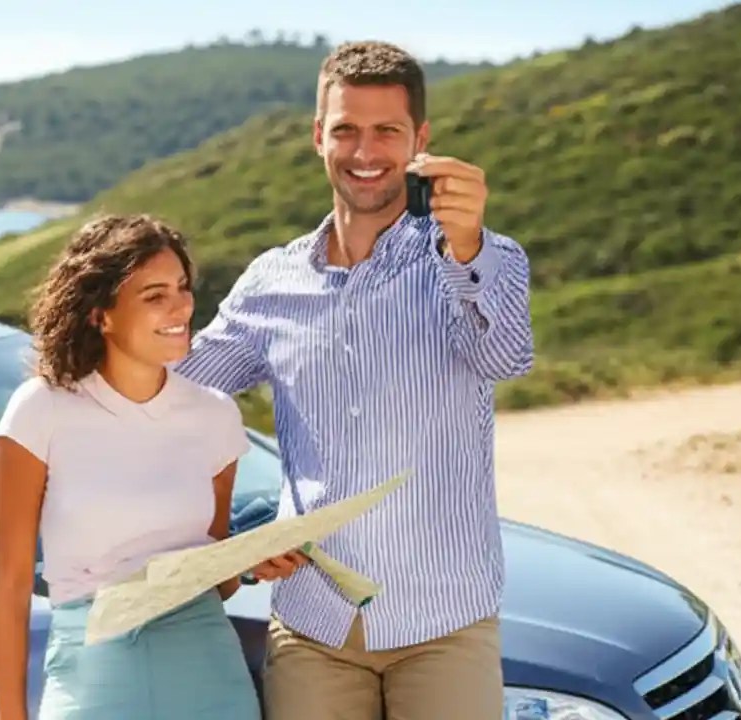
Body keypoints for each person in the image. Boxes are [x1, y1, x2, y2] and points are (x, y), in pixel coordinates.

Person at [174, 40, 535, 719]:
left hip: (444, 625)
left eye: (386, 131)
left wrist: (471, 249)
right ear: (318, 137)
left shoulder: (481, 261)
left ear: (420, 140)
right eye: (346, 129)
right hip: (312, 628)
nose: (364, 150)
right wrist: (231, 533)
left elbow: (505, 357)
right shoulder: (271, 282)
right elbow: (175, 398)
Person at [0, 214, 304, 720]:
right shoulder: (40, 409)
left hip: (206, 667)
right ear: (101, 314)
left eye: (182, 288)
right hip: (93, 672)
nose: (181, 307)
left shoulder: (215, 414)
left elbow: (214, 577)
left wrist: (247, 562)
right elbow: (10, 584)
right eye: (154, 295)